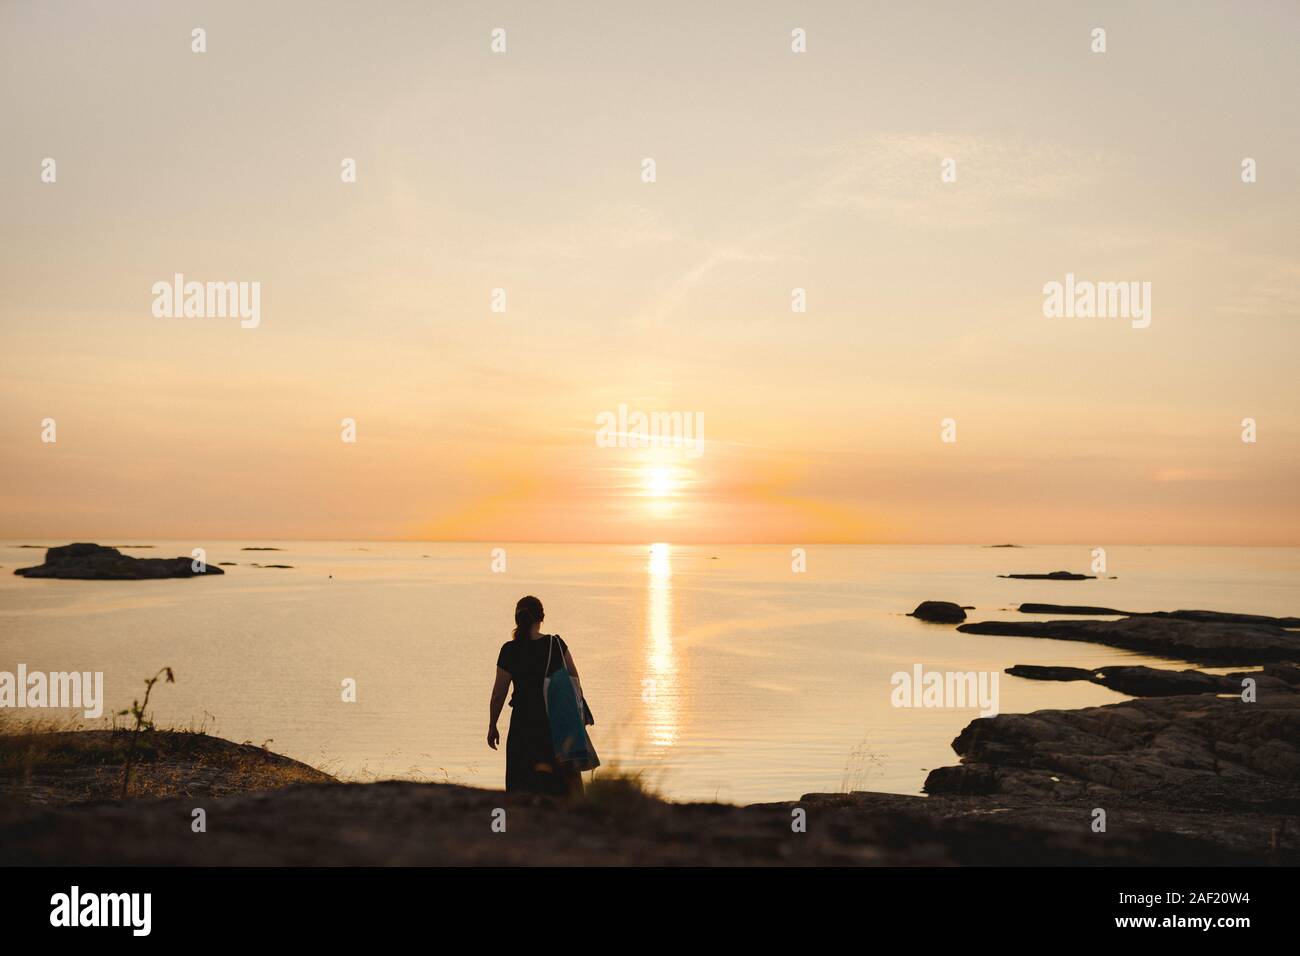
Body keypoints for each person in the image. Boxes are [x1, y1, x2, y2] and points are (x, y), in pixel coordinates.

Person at [487, 595, 592, 796]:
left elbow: (499, 694)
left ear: (517, 619)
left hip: (522, 725)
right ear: (541, 617)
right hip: (555, 724)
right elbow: (575, 681)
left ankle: (525, 823)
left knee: (522, 781)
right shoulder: (556, 644)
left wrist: (493, 725)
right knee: (559, 784)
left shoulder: (510, 650)